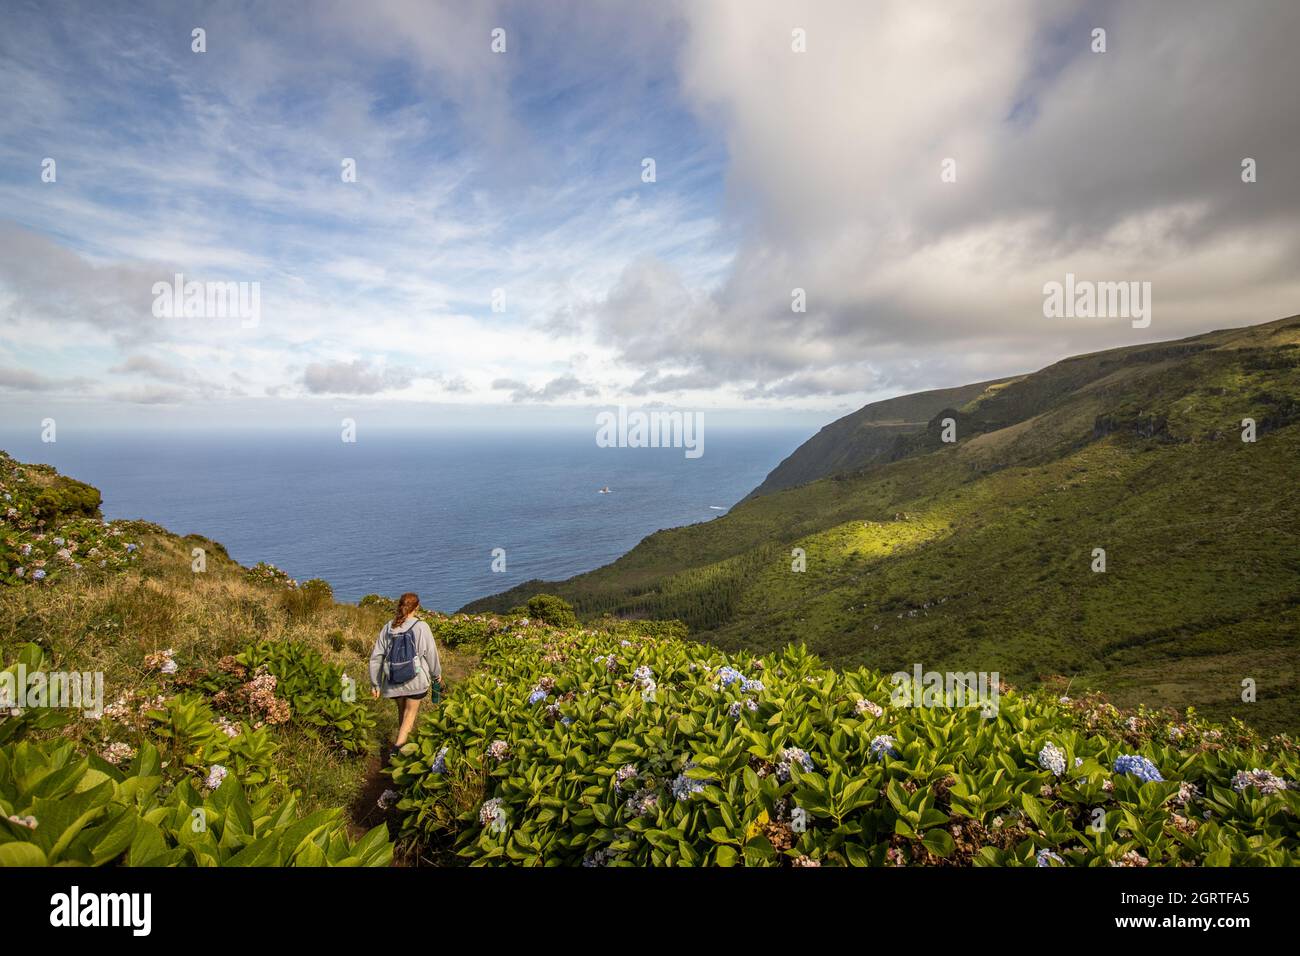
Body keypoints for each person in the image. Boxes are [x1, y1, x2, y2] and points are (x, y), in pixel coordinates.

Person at [368, 592, 442, 759]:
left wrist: (375, 683)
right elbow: (431, 653)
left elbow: (377, 656)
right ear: (417, 607)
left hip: (394, 680)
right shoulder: (422, 626)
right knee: (410, 715)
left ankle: (402, 749)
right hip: (416, 680)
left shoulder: (389, 627)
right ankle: (398, 749)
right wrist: (436, 674)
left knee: (403, 712)